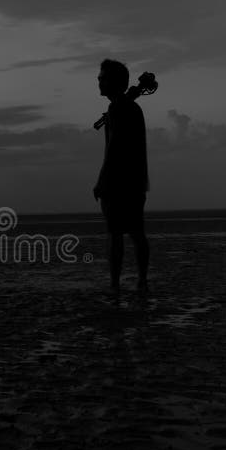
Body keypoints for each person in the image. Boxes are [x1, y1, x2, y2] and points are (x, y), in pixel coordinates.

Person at [93, 59, 150, 294]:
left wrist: (101, 181)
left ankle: (115, 283)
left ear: (114, 82)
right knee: (137, 232)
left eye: (102, 77)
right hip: (136, 182)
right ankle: (142, 281)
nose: (99, 80)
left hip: (117, 182)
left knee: (115, 233)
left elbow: (113, 148)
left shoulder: (119, 108)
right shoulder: (129, 107)